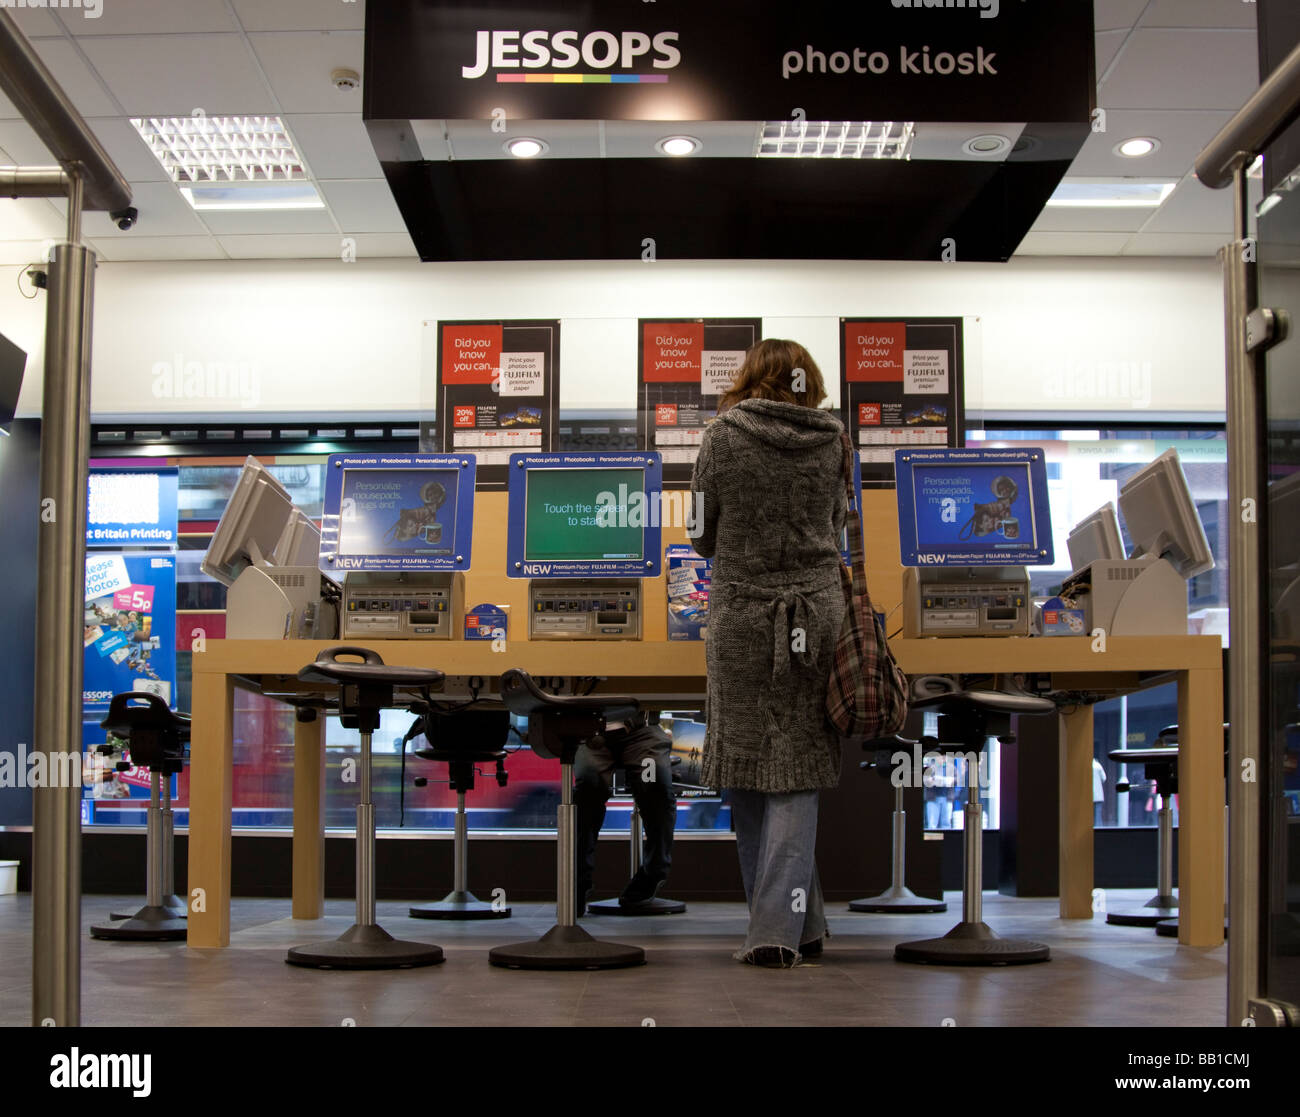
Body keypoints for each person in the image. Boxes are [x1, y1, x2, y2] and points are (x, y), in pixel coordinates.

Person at [689, 338, 848, 968]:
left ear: (750, 377)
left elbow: (701, 534)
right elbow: (835, 524)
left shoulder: (722, 437)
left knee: (753, 771)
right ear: (808, 381)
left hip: (741, 619)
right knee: (795, 767)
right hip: (814, 613)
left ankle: (773, 932)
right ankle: (796, 923)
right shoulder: (834, 440)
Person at [573, 713, 676, 917]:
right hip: (589, 732)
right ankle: (577, 879)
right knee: (588, 784)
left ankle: (654, 872)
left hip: (641, 732)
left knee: (654, 784)